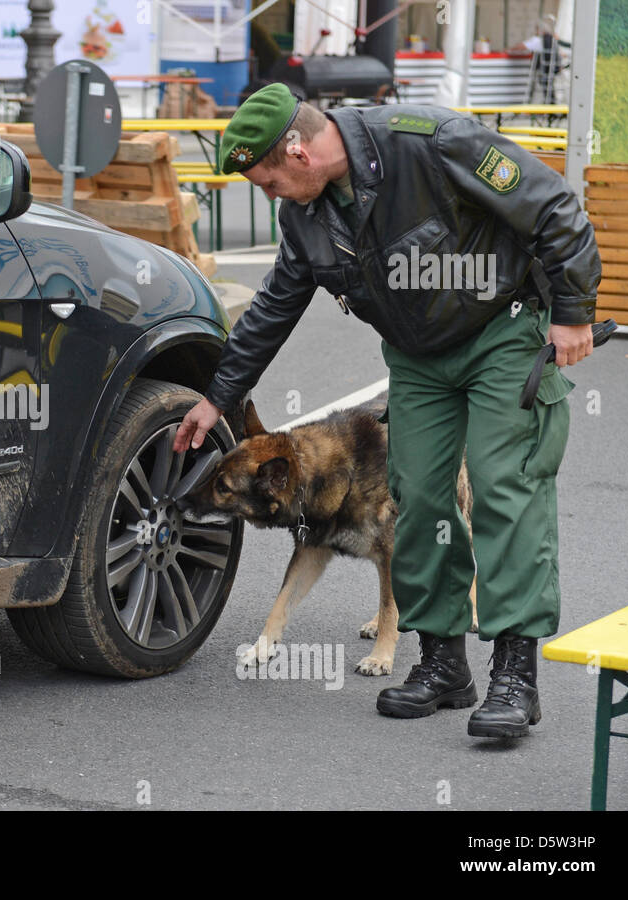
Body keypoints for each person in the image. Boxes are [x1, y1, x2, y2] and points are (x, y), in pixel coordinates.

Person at [174, 83, 601, 738]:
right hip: (419, 356)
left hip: (502, 331)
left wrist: (571, 313)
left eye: (267, 181)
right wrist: (218, 396)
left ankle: (515, 675)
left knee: (500, 487)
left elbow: (553, 209)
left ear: (297, 149)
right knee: (418, 499)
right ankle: (442, 662)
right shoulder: (306, 216)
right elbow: (275, 306)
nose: (268, 196)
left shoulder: (431, 142)